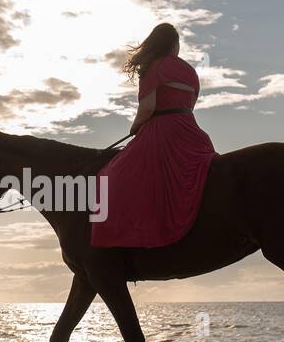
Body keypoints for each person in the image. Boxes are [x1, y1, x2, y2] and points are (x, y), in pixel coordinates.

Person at [90, 22, 217, 248]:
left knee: (111, 177)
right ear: (174, 45)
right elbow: (190, 106)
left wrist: (135, 128)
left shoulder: (153, 67)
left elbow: (147, 109)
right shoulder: (190, 71)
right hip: (191, 132)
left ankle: (120, 243)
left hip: (161, 132)